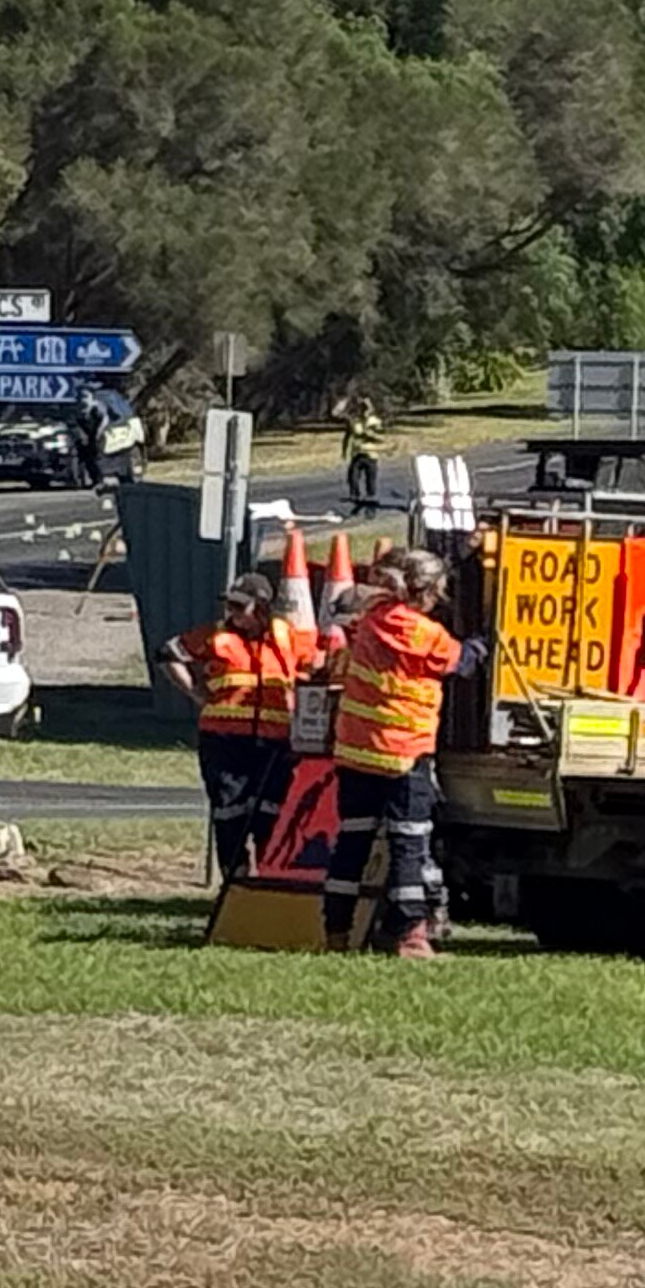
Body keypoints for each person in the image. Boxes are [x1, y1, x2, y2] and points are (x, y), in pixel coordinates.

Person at [324, 551, 485, 958]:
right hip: (401, 752)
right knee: (408, 844)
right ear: (425, 591)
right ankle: (410, 935)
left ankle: (336, 933)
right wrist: (485, 643)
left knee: (352, 842)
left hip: (356, 750)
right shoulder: (421, 632)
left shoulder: (372, 615)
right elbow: (459, 663)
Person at [164, 570, 305, 879]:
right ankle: (235, 880)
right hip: (224, 741)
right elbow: (169, 653)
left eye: (241, 607)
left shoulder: (285, 636)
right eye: (230, 606)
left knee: (271, 811)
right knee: (230, 811)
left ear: (263, 607)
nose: (233, 613)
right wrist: (194, 692)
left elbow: (315, 665)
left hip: (274, 742)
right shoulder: (216, 636)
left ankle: (271, 879)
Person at [342, 399, 387, 516]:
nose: (363, 411)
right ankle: (355, 497)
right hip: (357, 454)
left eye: (366, 408)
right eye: (361, 408)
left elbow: (381, 437)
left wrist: (369, 434)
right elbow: (347, 436)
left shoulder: (375, 422)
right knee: (353, 477)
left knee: (370, 480)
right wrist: (344, 450)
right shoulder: (355, 422)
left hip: (371, 454)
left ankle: (370, 506)